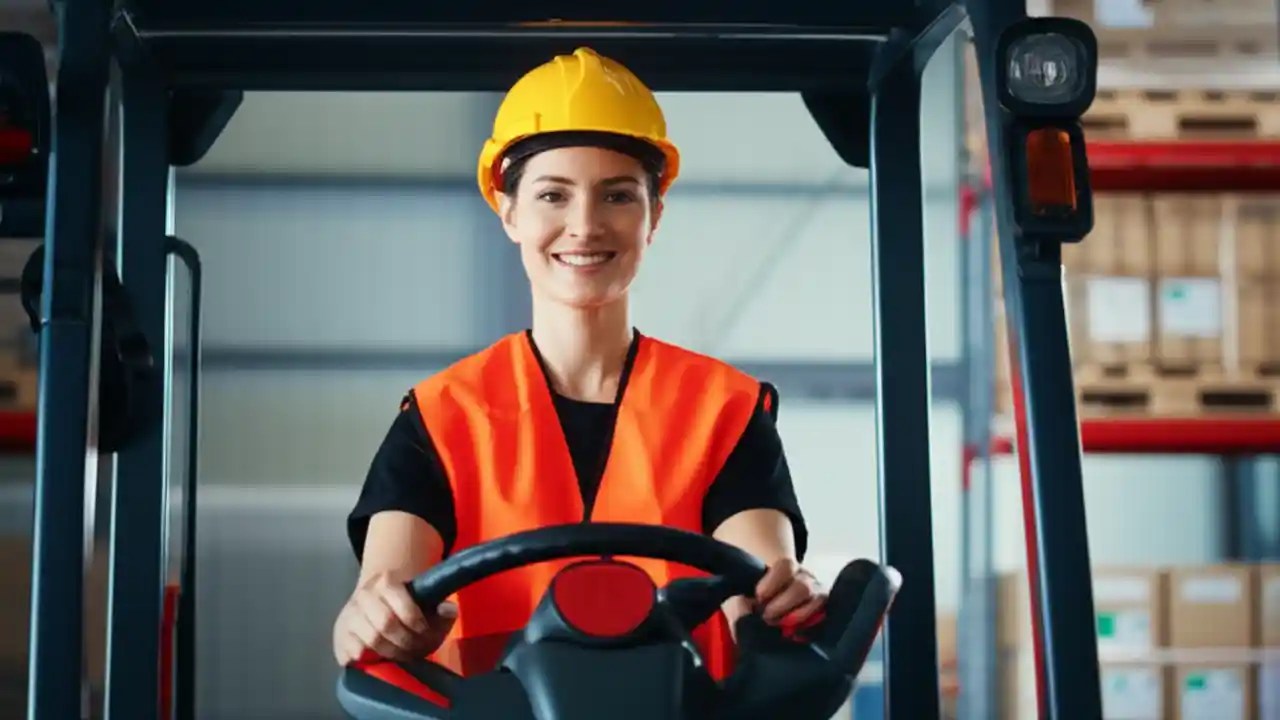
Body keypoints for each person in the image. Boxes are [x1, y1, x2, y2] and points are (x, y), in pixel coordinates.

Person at [331, 46, 826, 694]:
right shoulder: (441, 418)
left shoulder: (724, 412)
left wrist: (781, 598)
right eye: (552, 195)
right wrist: (376, 623)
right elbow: (372, 609)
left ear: (655, 215)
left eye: (618, 195)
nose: (585, 225)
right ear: (507, 211)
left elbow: (759, 588)